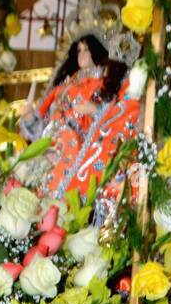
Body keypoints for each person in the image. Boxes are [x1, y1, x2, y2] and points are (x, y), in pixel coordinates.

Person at [20, 33, 141, 201]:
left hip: (78, 153)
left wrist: (95, 111)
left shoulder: (106, 83)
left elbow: (113, 117)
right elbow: (46, 124)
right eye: (79, 50)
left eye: (87, 49)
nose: (82, 54)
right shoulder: (63, 86)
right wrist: (30, 120)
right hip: (51, 150)